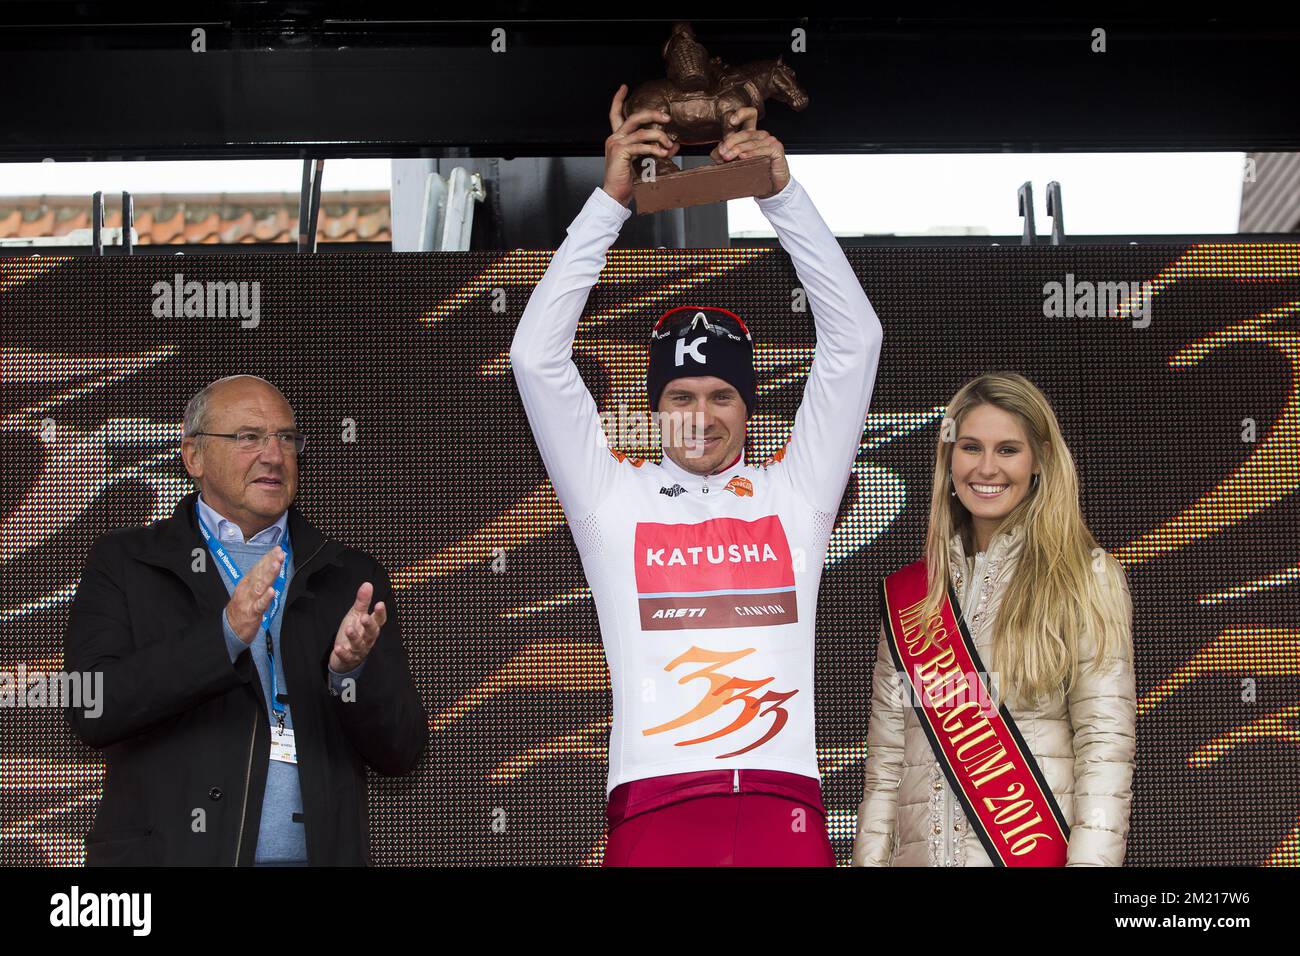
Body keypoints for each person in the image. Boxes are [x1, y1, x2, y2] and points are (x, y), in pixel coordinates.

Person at [510, 84, 883, 866]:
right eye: (680, 395)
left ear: (749, 408)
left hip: (785, 804)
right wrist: (609, 203)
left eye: (722, 396)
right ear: (653, 408)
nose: (702, 414)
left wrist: (784, 196)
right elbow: (536, 360)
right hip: (657, 807)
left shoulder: (797, 494)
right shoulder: (611, 496)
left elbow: (855, 342)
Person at [64, 375, 427, 865]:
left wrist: (349, 675)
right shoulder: (127, 562)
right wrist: (223, 636)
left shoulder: (348, 577)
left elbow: (402, 752)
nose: (274, 455)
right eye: (248, 437)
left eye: (285, 438)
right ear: (193, 456)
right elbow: (92, 708)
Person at [852, 373, 1135, 867]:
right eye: (970, 448)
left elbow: (1105, 748)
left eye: (1008, 450)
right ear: (949, 458)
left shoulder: (1085, 577)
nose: (986, 468)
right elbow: (886, 768)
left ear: (1040, 460)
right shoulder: (913, 597)